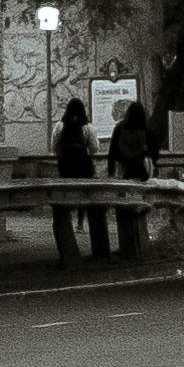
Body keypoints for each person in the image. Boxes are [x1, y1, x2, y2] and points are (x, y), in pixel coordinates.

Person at [52, 95, 108, 264]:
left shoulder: (60, 126)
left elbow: (54, 147)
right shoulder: (87, 127)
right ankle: (82, 224)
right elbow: (94, 149)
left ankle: (68, 225)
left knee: (66, 197)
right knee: (87, 195)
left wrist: (63, 158)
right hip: (84, 168)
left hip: (65, 169)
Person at [107, 95, 154, 260]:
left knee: (124, 207)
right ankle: (140, 242)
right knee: (139, 206)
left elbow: (112, 151)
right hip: (140, 172)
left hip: (124, 172)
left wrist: (111, 170)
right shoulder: (144, 129)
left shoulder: (120, 128)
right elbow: (150, 152)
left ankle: (126, 245)